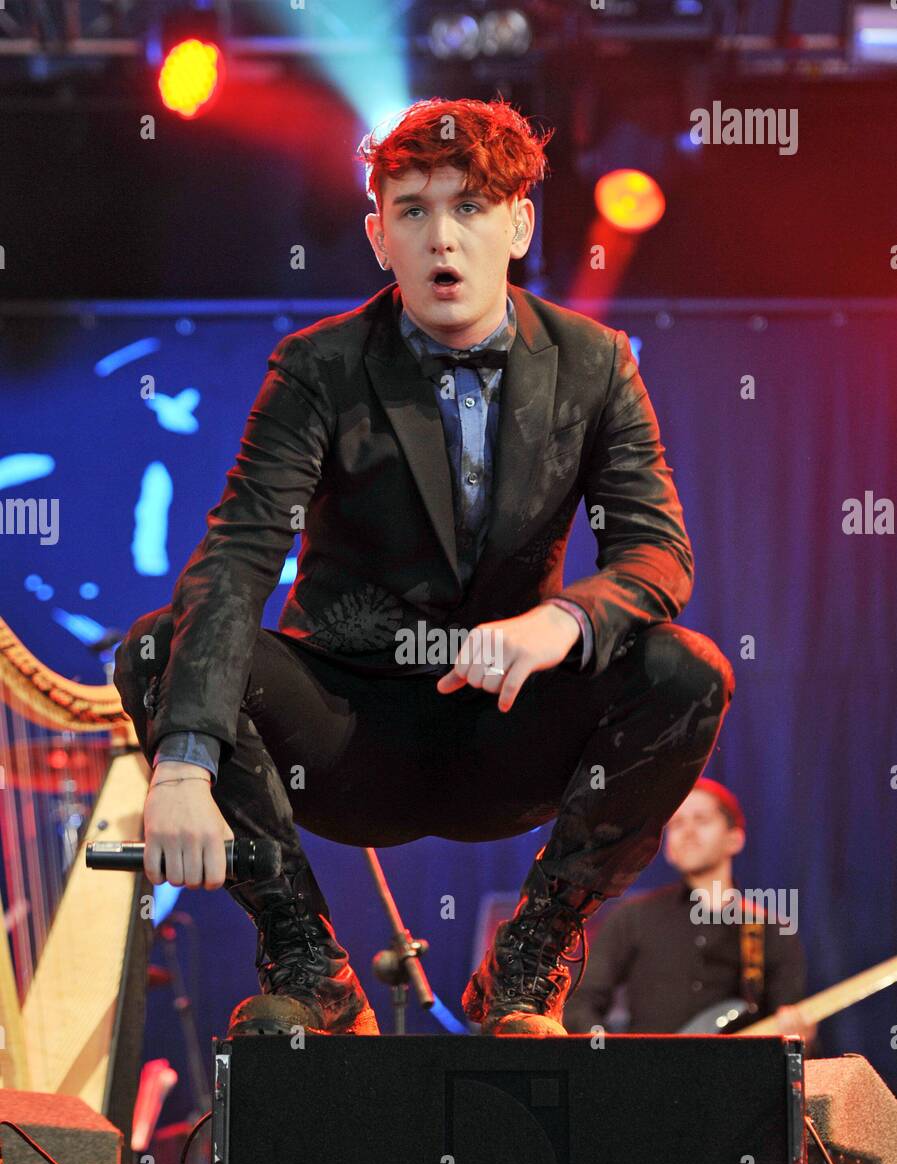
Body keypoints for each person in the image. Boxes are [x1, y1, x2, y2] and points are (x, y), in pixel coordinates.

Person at [113, 96, 736, 1039]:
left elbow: (655, 550)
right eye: (413, 210)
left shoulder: (595, 360)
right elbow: (238, 557)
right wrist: (184, 764)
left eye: (470, 207)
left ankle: (526, 971)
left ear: (520, 223)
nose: (442, 237)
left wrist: (556, 623)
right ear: (378, 236)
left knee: (685, 670)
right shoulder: (317, 366)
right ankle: (307, 962)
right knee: (163, 650)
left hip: (505, 730)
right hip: (348, 733)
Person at [563, 779, 817, 1046]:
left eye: (702, 819)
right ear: (668, 849)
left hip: (734, 1081)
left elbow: (791, 1030)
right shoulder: (632, 918)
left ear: (734, 839)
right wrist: (613, 1056)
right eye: (678, 823)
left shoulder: (770, 929)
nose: (688, 831)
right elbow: (580, 1002)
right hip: (647, 1079)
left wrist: (803, 1038)